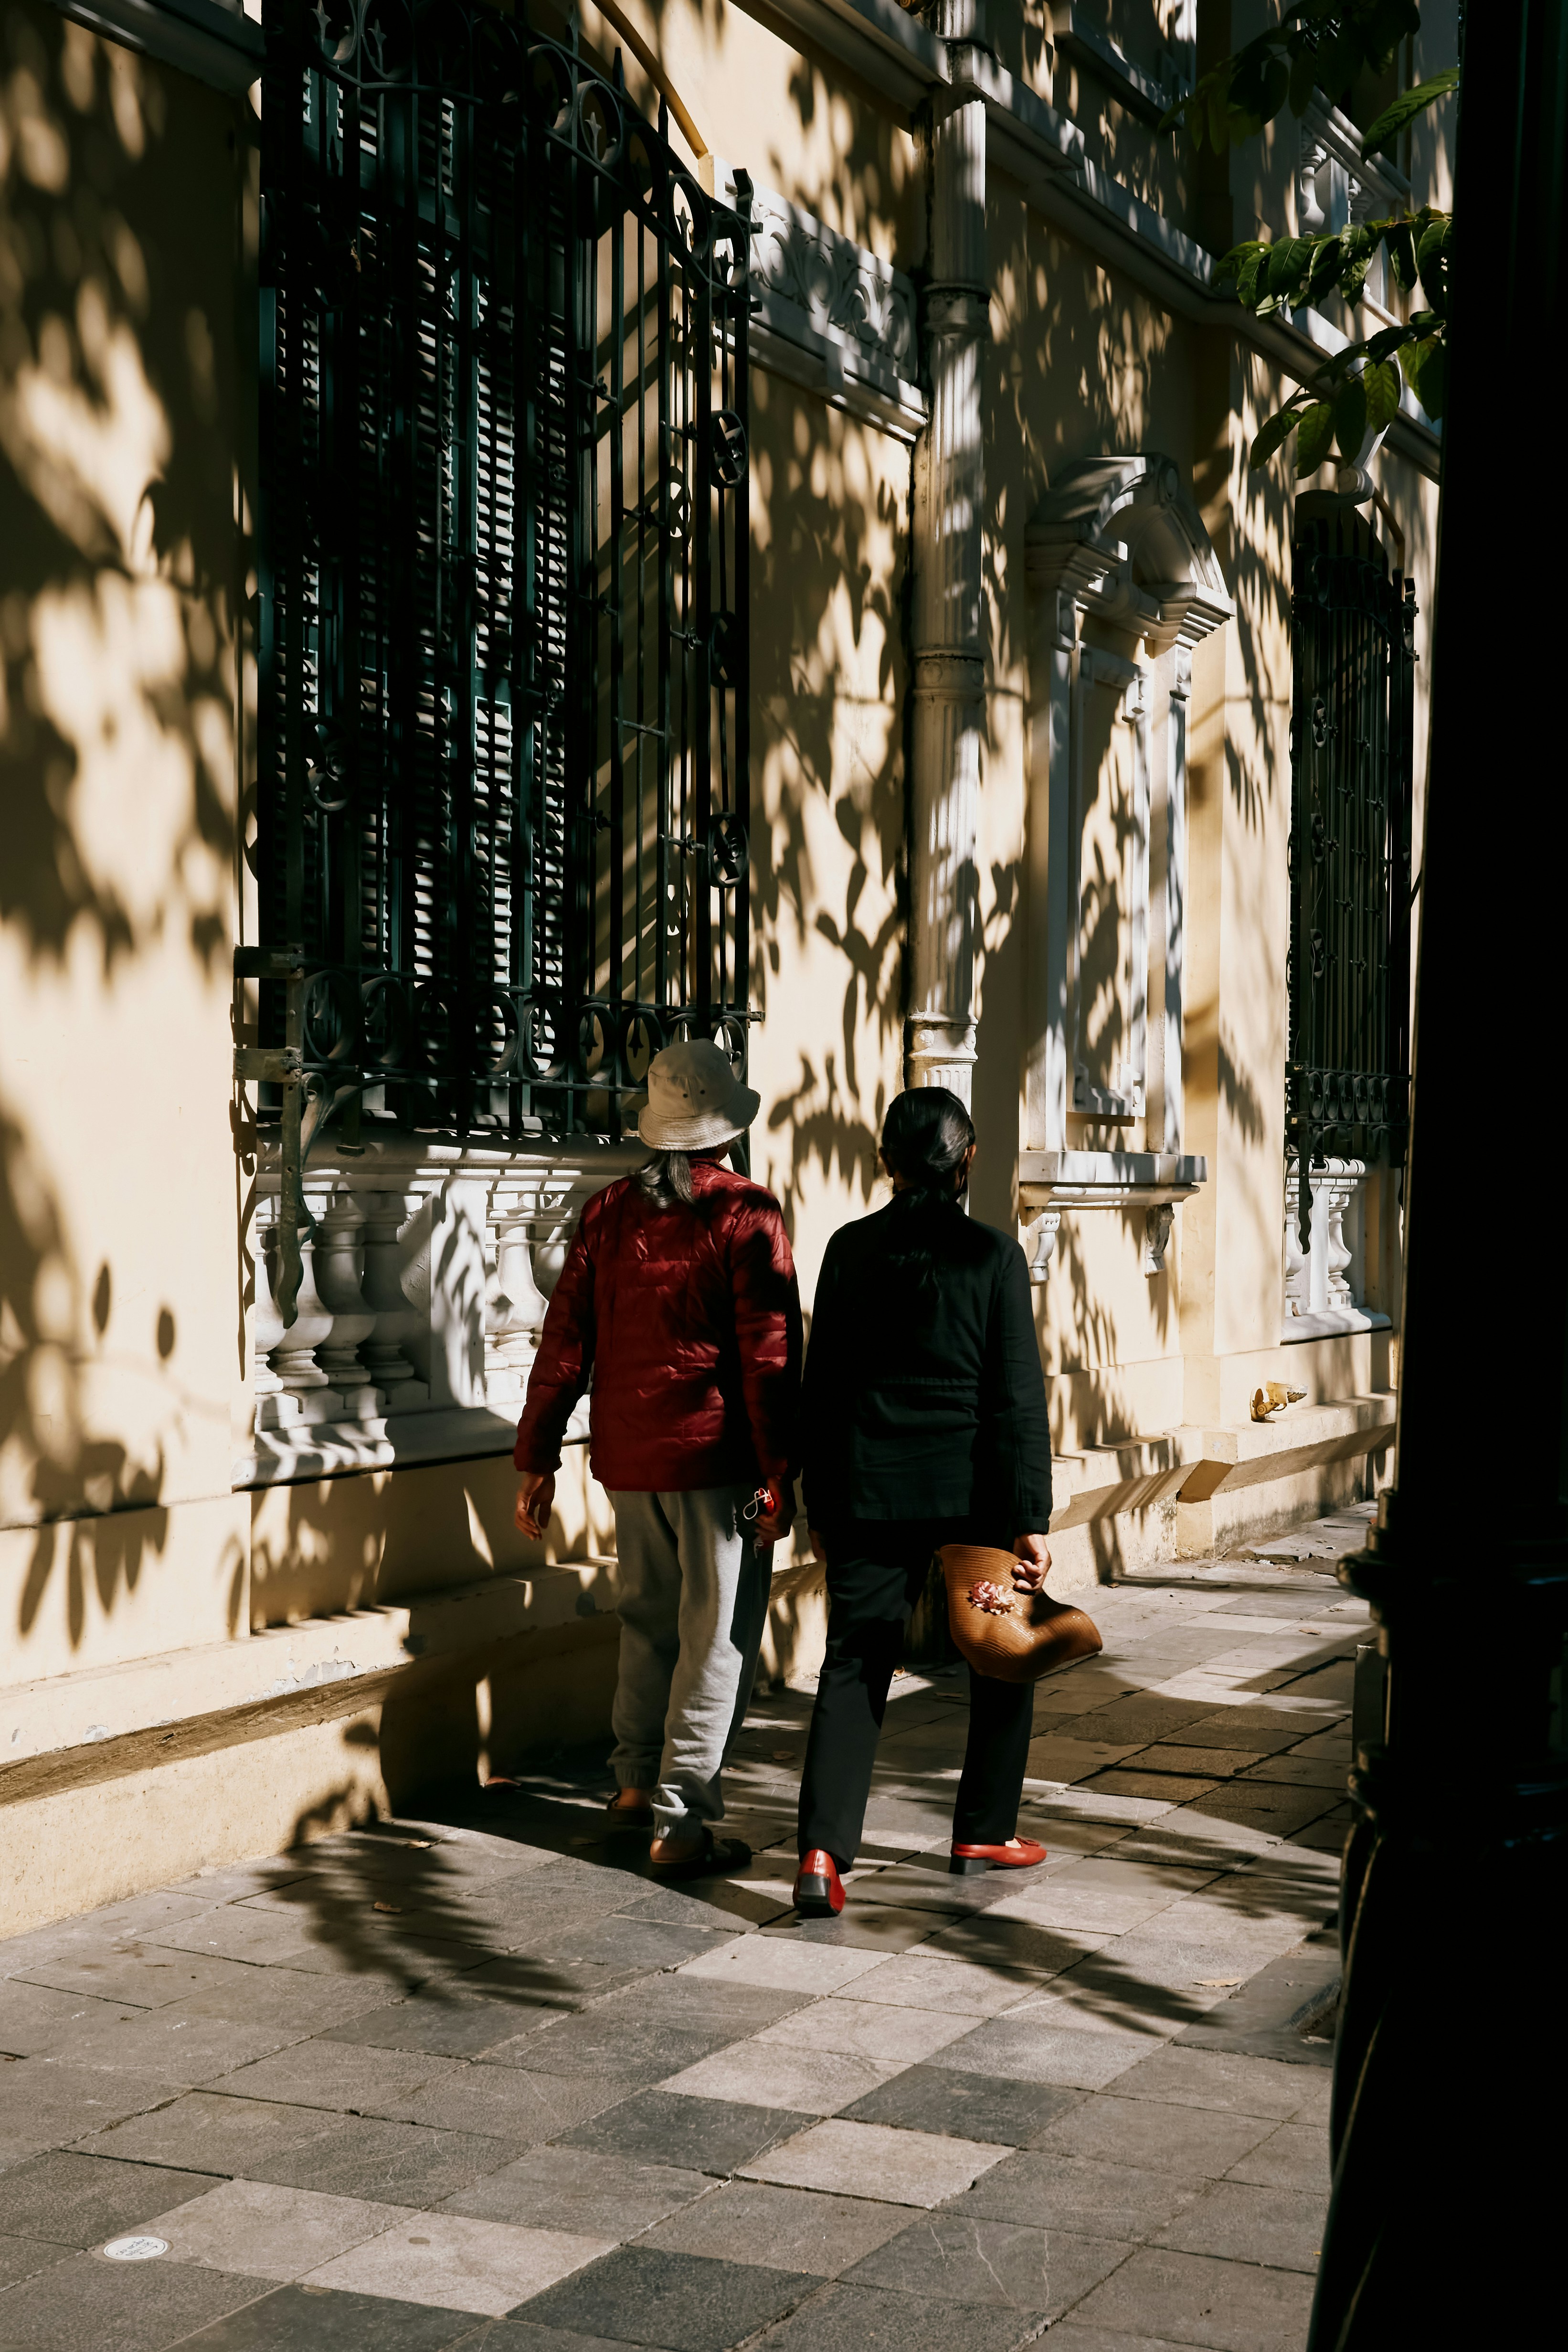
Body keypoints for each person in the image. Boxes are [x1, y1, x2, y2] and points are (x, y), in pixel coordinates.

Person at [514, 1039, 800, 1877]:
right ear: (727, 1127)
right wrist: (779, 1471)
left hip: (631, 1459)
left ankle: (636, 1781)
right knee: (716, 1638)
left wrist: (538, 1455)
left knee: (647, 1620)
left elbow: (565, 1340)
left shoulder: (608, 1211)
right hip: (718, 1464)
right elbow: (770, 1355)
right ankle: (681, 1821)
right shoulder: (748, 1212)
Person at [792, 1086, 1054, 1915]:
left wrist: (821, 1506)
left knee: (854, 1660)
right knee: (1002, 1653)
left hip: (868, 1488)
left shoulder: (848, 1249)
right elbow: (1017, 1399)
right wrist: (1030, 1519)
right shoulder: (995, 1256)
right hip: (973, 1493)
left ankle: (822, 1855)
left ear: (887, 1162)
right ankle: (984, 1830)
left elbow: (822, 1389)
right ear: (967, 1160)